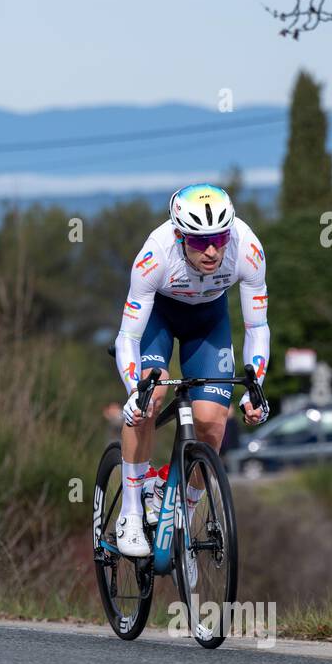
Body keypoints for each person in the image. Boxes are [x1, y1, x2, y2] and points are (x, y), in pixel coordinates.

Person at [113, 184, 270, 558]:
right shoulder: (154, 255)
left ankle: (184, 504)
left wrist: (255, 386)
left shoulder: (247, 249)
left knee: (212, 420)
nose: (213, 250)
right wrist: (135, 388)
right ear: (181, 236)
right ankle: (132, 512)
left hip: (208, 322)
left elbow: (257, 328)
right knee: (152, 399)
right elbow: (127, 335)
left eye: (219, 238)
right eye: (200, 242)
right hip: (159, 320)